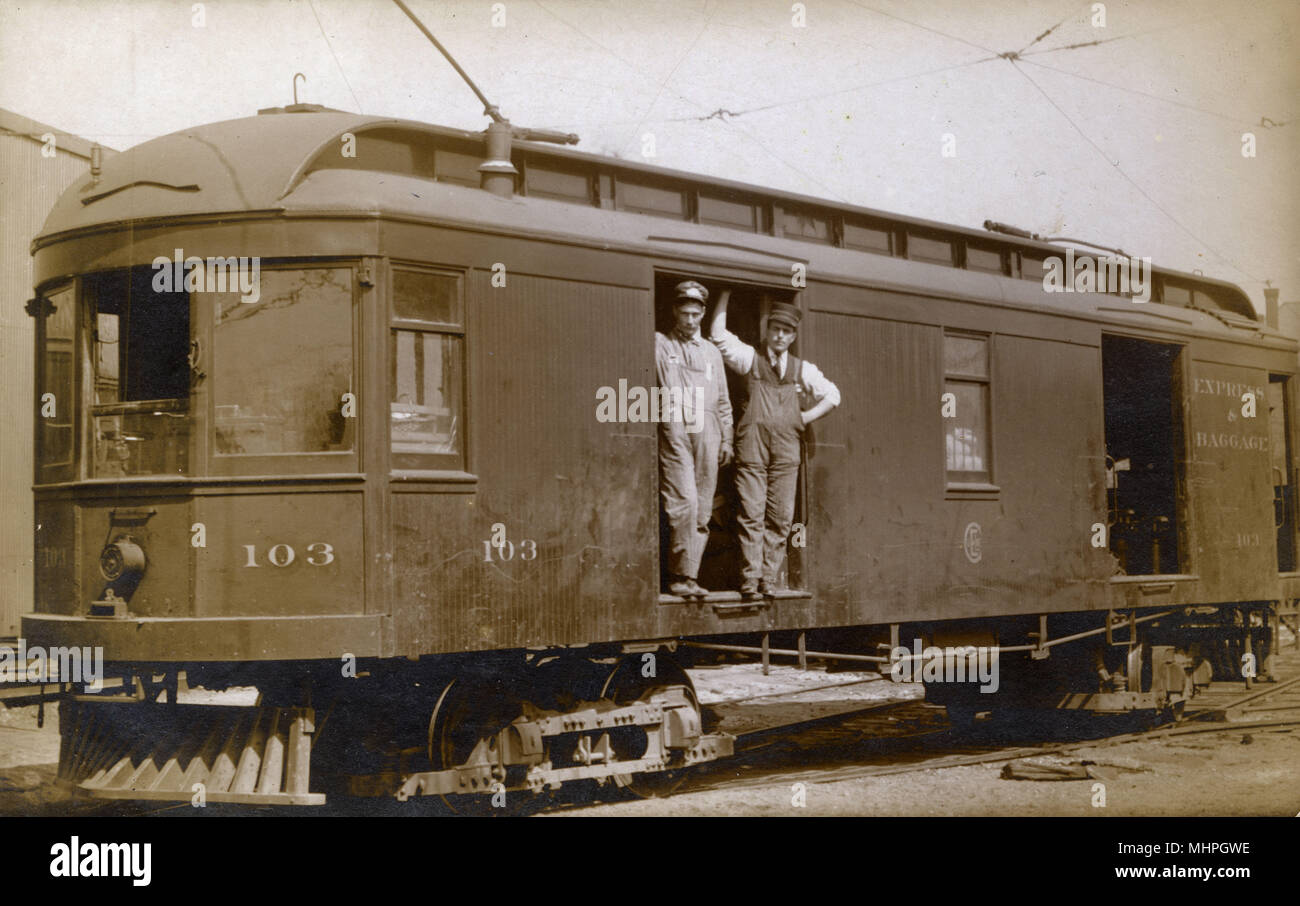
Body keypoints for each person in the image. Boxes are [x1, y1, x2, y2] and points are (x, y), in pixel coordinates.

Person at [710, 289, 840, 599]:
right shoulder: (749, 359)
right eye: (775, 329)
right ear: (767, 331)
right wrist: (727, 291)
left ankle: (767, 579)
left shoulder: (801, 369)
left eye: (786, 332)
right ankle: (749, 580)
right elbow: (718, 335)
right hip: (752, 447)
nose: (780, 336)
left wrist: (805, 417)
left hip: (786, 450)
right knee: (751, 514)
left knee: (780, 517)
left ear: (793, 336)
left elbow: (833, 395)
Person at [656, 281, 734, 597]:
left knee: (702, 506)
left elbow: (724, 400)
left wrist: (727, 438)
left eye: (695, 313)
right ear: (675, 311)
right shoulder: (661, 343)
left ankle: (690, 577)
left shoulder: (713, 353)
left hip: (709, 430)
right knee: (683, 501)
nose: (689, 320)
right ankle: (677, 575)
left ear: (703, 313)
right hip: (676, 428)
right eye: (684, 312)